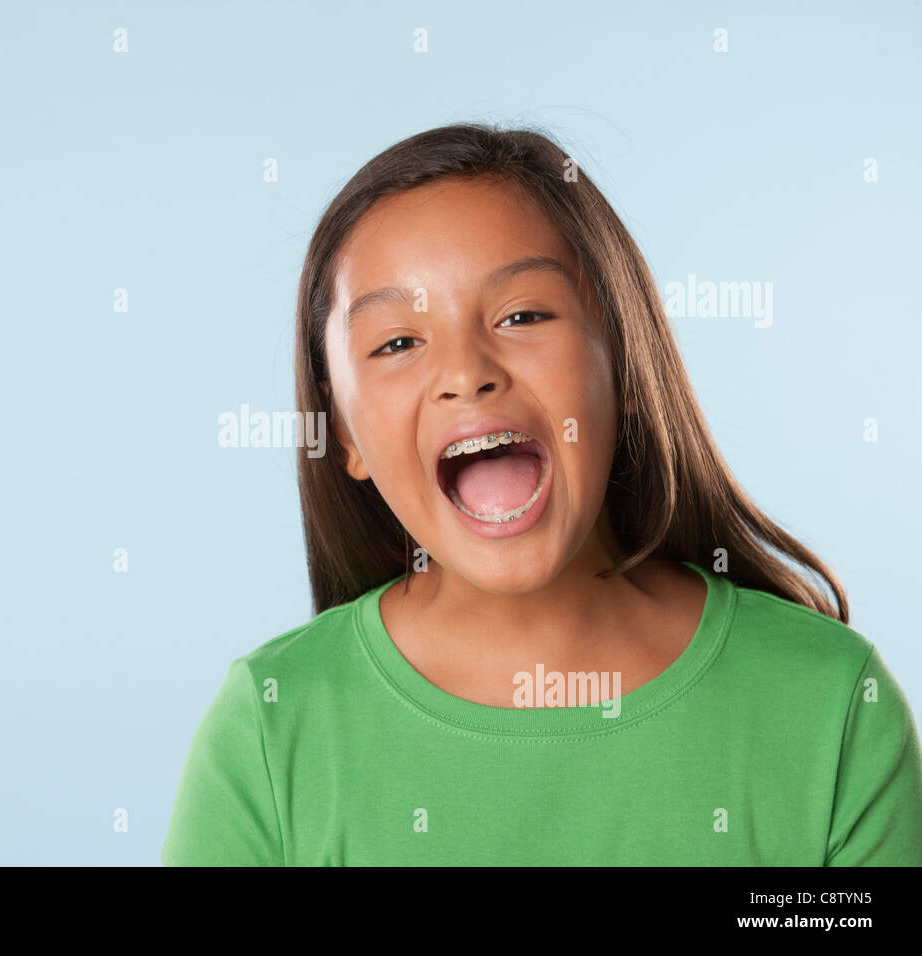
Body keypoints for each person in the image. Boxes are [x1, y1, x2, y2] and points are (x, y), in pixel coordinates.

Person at [161, 123, 922, 865]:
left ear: (623, 364)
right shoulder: (269, 725)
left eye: (523, 315)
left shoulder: (830, 707)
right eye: (397, 342)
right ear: (346, 436)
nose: (467, 372)